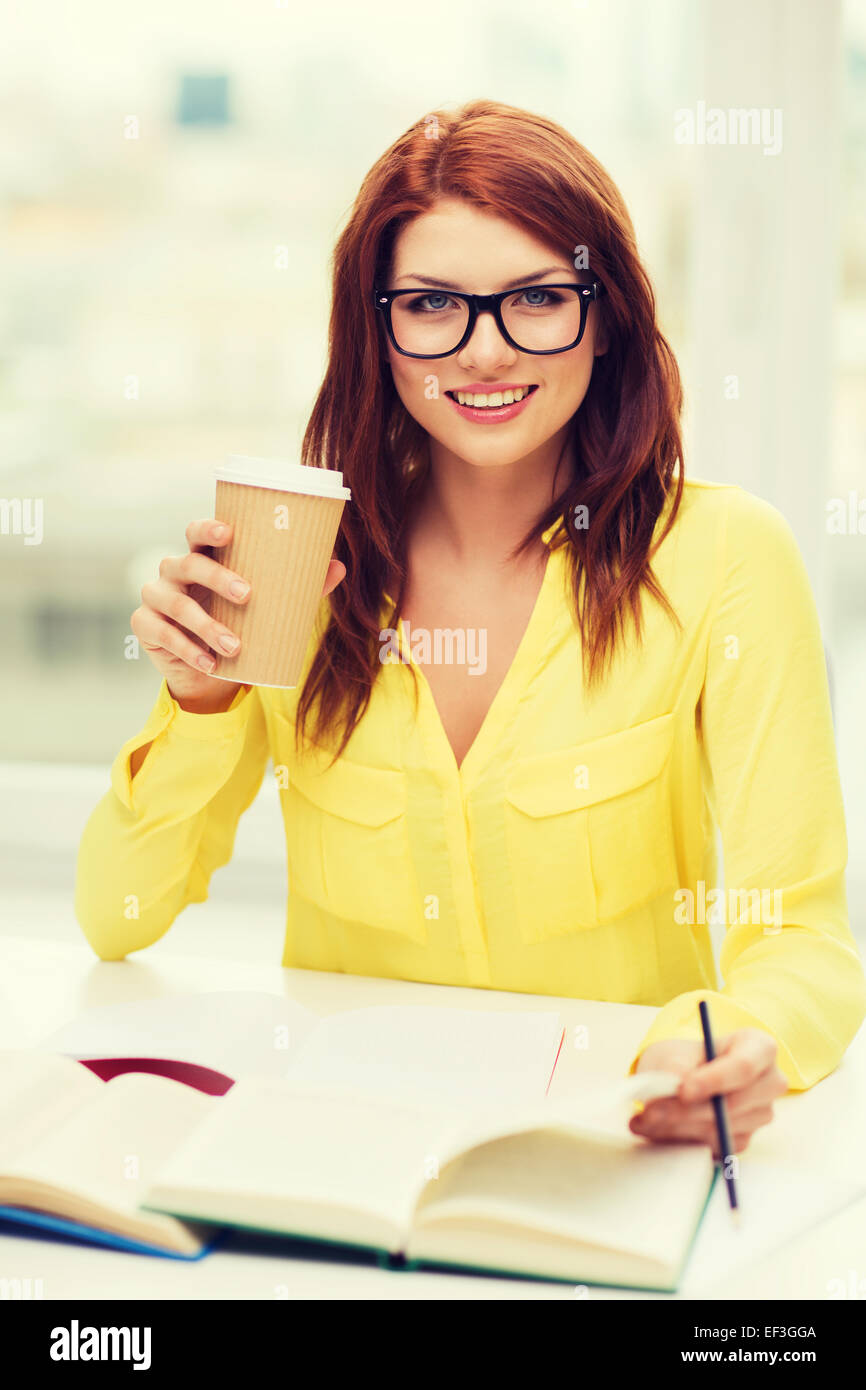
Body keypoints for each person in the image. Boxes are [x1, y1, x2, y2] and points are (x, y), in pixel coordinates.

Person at [76, 99, 866, 1157]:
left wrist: (724, 1040)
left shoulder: (724, 557)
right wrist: (201, 697)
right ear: (377, 327)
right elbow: (118, 915)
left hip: (605, 1152)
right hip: (343, 1155)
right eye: (433, 304)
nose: (484, 352)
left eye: (538, 298)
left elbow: (801, 938)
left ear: (606, 315)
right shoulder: (294, 557)